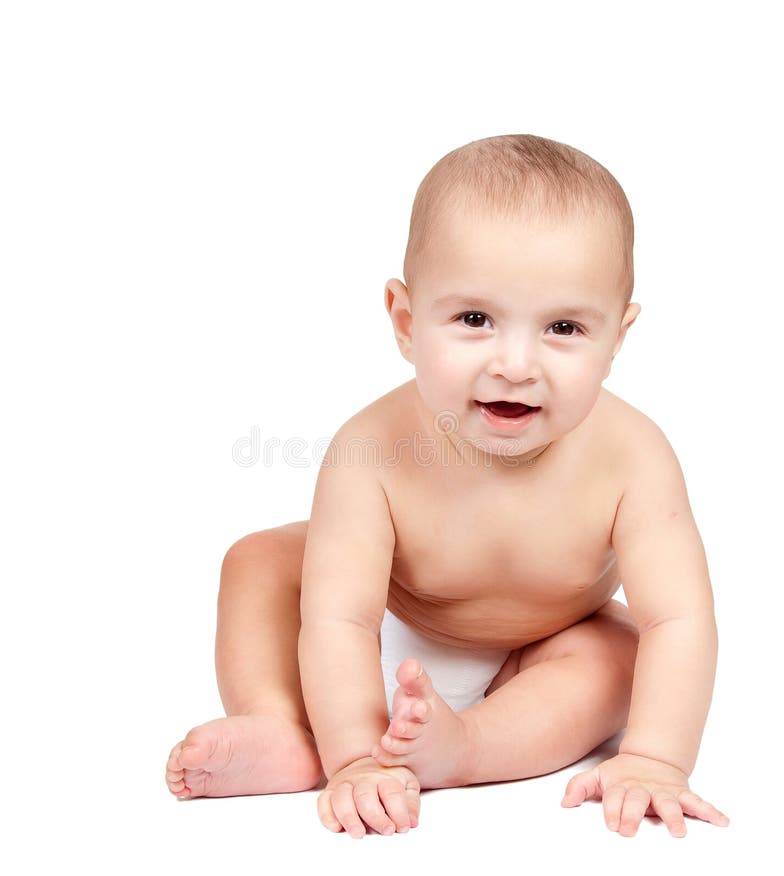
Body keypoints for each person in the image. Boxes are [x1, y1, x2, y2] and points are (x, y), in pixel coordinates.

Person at [165, 134, 730, 839]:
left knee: (617, 652)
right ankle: (284, 725)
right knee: (259, 559)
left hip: (540, 646)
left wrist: (654, 758)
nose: (517, 364)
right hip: (375, 630)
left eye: (564, 327)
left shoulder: (636, 457)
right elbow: (339, 619)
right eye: (474, 320)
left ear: (617, 336)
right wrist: (354, 763)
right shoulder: (368, 450)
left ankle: (467, 747)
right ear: (405, 322)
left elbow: (678, 619)